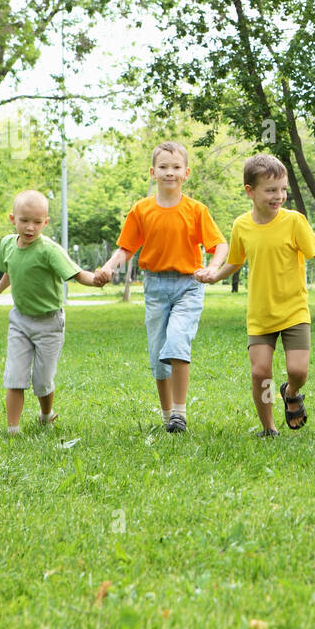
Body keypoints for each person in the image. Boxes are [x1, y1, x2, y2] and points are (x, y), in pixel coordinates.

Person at [199, 154, 315, 437]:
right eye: (271, 190)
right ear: (250, 191)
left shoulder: (294, 222)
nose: (279, 196)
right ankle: (269, 428)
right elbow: (235, 261)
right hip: (260, 313)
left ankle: (291, 393)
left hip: (293, 311)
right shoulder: (242, 225)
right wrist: (214, 274)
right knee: (260, 373)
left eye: (283, 189)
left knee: (299, 372)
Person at [95, 141, 228, 433]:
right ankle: (168, 417)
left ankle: (180, 413)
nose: (170, 172)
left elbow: (220, 244)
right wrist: (108, 267)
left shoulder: (196, 210)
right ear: (153, 172)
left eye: (176, 167)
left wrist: (213, 268)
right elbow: (126, 248)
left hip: (188, 285)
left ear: (186, 172)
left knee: (178, 341)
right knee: (158, 357)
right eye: (164, 167)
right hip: (155, 287)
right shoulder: (142, 210)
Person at [0, 190, 106, 435]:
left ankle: (46, 415)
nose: (30, 227)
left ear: (45, 222)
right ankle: (12, 429)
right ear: (12, 218)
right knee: (14, 376)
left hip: (49, 323)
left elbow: (77, 274)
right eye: (24, 220)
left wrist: (96, 280)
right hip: (20, 320)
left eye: (37, 222)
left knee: (42, 381)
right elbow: (9, 272)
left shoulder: (49, 250)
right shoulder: (7, 244)